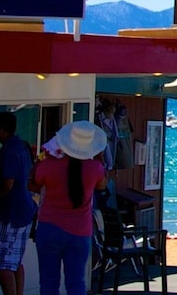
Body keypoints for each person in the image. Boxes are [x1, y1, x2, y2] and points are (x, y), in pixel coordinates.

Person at [31, 121, 109, 295]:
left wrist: (42, 157)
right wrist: (100, 158)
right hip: (80, 231)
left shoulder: (49, 165)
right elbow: (102, 185)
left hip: (49, 227)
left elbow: (34, 183)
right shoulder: (94, 168)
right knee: (76, 283)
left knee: (48, 283)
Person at [0, 112, 35, 295]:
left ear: (1, 130)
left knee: (3, 264)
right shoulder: (22, 146)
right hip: (24, 210)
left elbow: (8, 184)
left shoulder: (8, 151)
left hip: (10, 213)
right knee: (15, 262)